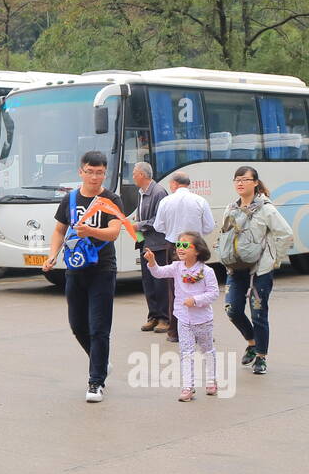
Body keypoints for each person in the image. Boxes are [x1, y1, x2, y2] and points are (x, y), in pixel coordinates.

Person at [43, 151, 123, 402]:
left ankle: (95, 382)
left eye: (99, 172)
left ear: (105, 173)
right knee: (78, 325)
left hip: (102, 268)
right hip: (75, 268)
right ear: (81, 172)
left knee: (99, 327)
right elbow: (59, 229)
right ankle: (100, 361)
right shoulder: (71, 198)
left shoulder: (111, 199)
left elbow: (114, 232)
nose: (95, 177)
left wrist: (91, 230)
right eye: (90, 171)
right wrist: (52, 255)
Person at [219, 166, 294, 376]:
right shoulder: (230, 209)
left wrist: (274, 260)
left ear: (255, 183)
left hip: (260, 271)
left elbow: (286, 234)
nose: (240, 183)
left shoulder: (266, 209)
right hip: (235, 268)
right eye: (237, 179)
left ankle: (261, 356)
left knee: (258, 313)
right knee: (232, 310)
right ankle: (251, 342)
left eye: (245, 179)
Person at [145, 232, 220, 401]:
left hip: (203, 319)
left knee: (207, 350)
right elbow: (158, 272)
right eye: (178, 245)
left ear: (198, 250)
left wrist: (195, 300)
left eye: (185, 245)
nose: (180, 248)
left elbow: (214, 293)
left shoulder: (206, 271)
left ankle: (211, 380)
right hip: (183, 318)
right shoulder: (177, 267)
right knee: (186, 352)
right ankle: (188, 386)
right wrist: (151, 261)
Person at [150, 171, 215, 344]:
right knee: (201, 287)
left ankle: (174, 331)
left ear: (173, 184)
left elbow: (158, 226)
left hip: (174, 246)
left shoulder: (166, 201)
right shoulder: (200, 201)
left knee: (175, 290)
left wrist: (175, 233)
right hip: (195, 247)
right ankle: (201, 329)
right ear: (188, 184)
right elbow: (209, 227)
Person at [132, 162, 170, 332]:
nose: (133, 176)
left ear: (143, 175)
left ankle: (165, 318)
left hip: (159, 244)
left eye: (135, 173)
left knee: (160, 282)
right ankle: (153, 315)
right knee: (148, 282)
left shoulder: (159, 192)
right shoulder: (141, 192)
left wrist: (139, 225)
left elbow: (160, 220)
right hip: (145, 243)